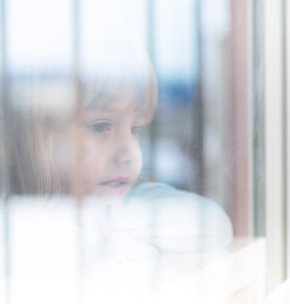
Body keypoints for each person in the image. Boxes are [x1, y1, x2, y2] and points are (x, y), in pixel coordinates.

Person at [4, 26, 233, 259]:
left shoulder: (129, 202)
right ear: (41, 137)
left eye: (136, 129)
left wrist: (104, 220)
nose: (130, 153)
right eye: (100, 127)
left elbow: (213, 223)